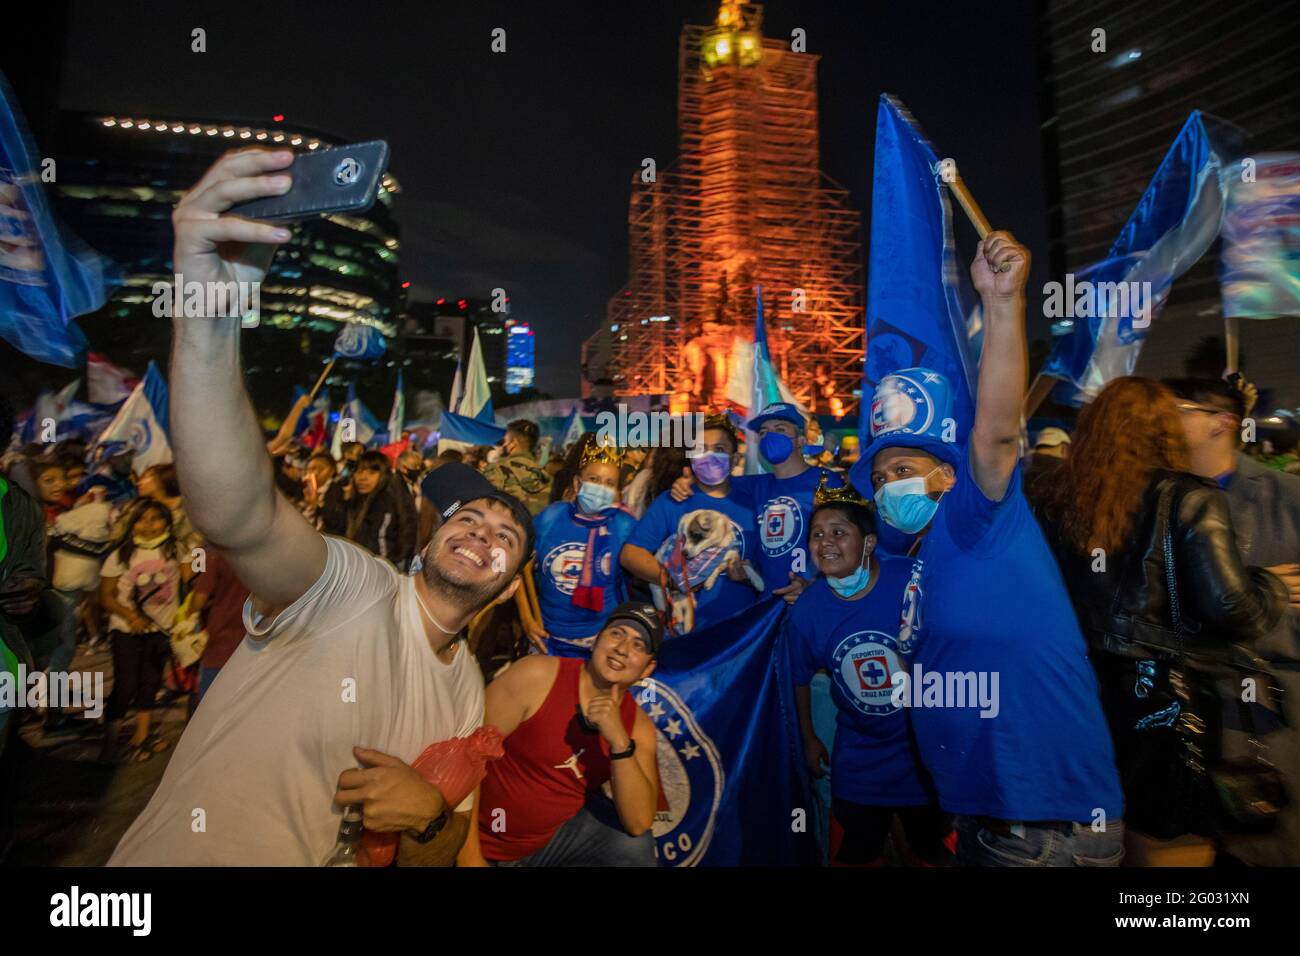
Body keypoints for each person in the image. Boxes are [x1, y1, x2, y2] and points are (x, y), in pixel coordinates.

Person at [109, 147, 534, 866]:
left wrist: (429, 816)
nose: (482, 530)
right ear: (430, 540)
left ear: (511, 581)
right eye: (470, 518)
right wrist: (209, 316)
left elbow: (440, 846)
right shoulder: (351, 586)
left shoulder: (466, 690)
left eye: (505, 535)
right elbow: (236, 514)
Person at [848, 230, 1125, 867]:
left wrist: (1003, 305)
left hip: (1043, 824)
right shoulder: (921, 556)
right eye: (883, 478)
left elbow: (997, 437)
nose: (891, 486)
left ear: (948, 474)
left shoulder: (974, 518)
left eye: (905, 469)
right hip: (989, 814)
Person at [1038, 376, 1291, 865]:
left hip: (1084, 692)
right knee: (1175, 840)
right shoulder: (1189, 497)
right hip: (1164, 701)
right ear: (1161, 430)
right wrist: (1271, 586)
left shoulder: (1058, 499)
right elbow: (1232, 607)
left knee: (1120, 826)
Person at [1165, 376, 1300, 865]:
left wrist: (1262, 608)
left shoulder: (1286, 498)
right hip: (1182, 714)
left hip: (1269, 717)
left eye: (1177, 408)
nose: (1163, 421)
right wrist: (1254, 588)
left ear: (1222, 422)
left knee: (1267, 847)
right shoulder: (1158, 498)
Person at [788, 479, 947, 866]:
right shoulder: (807, 610)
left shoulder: (910, 579)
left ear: (869, 543)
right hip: (858, 760)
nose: (825, 542)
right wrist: (809, 738)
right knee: (855, 855)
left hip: (923, 755)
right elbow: (799, 677)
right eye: (817, 534)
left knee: (932, 853)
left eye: (839, 532)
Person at [458, 601, 662, 866]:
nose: (622, 649)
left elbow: (639, 823)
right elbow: (464, 757)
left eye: (638, 645)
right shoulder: (537, 675)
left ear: (647, 669)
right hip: (487, 838)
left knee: (633, 848)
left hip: (550, 843)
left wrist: (620, 742)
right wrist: (469, 857)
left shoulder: (639, 728)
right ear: (596, 640)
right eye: (617, 633)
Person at [621, 415, 762, 634]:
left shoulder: (754, 499)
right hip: (681, 633)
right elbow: (630, 554)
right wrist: (672, 579)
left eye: (718, 448)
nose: (708, 455)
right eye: (700, 449)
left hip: (739, 633)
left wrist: (748, 577)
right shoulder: (673, 500)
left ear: (735, 459)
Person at [98, 499, 192, 763]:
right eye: (142, 519)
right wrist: (130, 616)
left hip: (161, 629)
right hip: (125, 630)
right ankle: (111, 741)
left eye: (156, 518)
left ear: (167, 522)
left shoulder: (178, 549)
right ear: (132, 523)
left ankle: (141, 737)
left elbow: (194, 578)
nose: (149, 525)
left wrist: (201, 554)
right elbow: (105, 596)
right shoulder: (119, 555)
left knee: (150, 683)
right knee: (125, 684)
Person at [528, 442, 638, 657]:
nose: (600, 488)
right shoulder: (552, 517)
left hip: (601, 639)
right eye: (593, 480)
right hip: (547, 636)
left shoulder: (624, 525)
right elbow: (521, 566)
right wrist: (527, 618)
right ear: (578, 484)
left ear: (617, 493)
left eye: (609, 483)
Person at [188, 547, 251, 705]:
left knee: (211, 704)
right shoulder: (263, 552)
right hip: (255, 640)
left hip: (220, 641)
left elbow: (198, 597)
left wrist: (189, 613)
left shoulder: (214, 555)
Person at [343, 450, 418, 571]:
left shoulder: (384, 502)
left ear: (383, 475)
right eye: (359, 471)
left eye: (371, 472)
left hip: (378, 571)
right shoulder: (357, 501)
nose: (362, 478)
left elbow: (382, 543)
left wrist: (382, 568)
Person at [483, 420, 550, 516]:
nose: (502, 446)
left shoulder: (498, 468)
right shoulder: (546, 476)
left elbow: (484, 507)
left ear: (512, 443)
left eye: (504, 441)